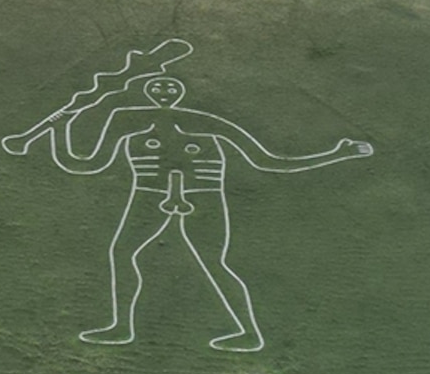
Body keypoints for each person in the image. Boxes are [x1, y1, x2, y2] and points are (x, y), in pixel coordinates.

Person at [20, 65, 367, 352]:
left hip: (203, 193)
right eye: (159, 86)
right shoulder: (126, 119)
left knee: (213, 262)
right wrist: (59, 130)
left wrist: (339, 153)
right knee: (123, 253)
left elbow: (268, 161)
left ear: (181, 91)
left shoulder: (206, 122)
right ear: (148, 91)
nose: (165, 91)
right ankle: (121, 327)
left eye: (171, 86)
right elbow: (85, 163)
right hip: (149, 193)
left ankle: (248, 333)